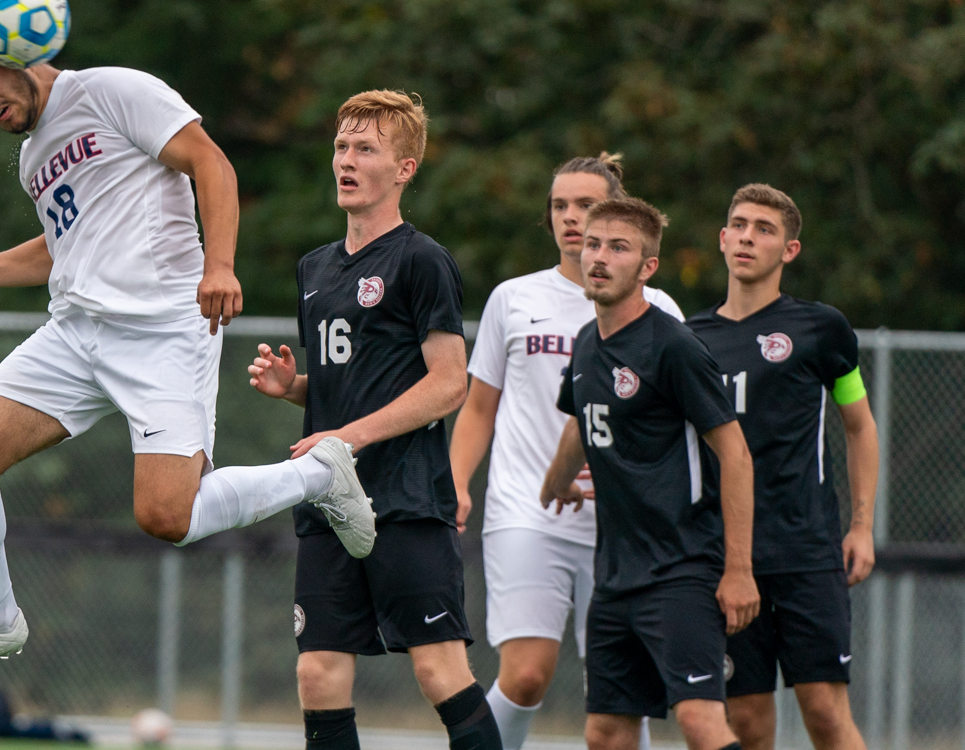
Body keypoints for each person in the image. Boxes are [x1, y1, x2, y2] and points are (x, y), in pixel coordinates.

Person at [0, 18, 374, 689]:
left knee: (167, 517)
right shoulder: (32, 156)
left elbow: (209, 162)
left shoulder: (110, 91)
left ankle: (319, 475)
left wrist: (220, 264)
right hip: (75, 334)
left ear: (15, 52)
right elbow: (64, 246)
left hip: (163, 330)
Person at [247, 90, 502, 750]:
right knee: (318, 673)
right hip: (330, 503)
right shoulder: (315, 268)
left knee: (437, 667)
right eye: (341, 147)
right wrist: (294, 388)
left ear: (405, 168)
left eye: (366, 148)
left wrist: (348, 437)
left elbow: (448, 384)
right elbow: (352, 383)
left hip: (406, 499)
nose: (347, 160)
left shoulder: (421, 260)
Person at [449, 154, 681, 749]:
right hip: (527, 511)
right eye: (559, 206)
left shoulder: (661, 313)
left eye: (586, 205)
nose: (571, 218)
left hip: (626, 528)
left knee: (619, 696)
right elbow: (480, 408)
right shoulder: (513, 298)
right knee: (526, 676)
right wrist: (454, 481)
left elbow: (678, 425)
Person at [541, 197, 760, 750]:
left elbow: (734, 453)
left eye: (619, 248)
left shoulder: (675, 345)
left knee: (700, 722)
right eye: (593, 244)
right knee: (606, 733)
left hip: (681, 569)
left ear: (647, 267)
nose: (600, 257)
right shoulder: (589, 342)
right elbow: (580, 420)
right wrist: (557, 479)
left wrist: (738, 570)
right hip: (614, 576)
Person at [686, 184, 878, 750]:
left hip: (806, 550)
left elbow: (861, 426)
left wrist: (862, 526)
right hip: (724, 559)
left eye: (764, 229)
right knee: (746, 723)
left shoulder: (821, 329)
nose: (748, 237)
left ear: (789, 251)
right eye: (739, 225)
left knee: (824, 711)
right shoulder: (690, 340)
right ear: (722, 239)